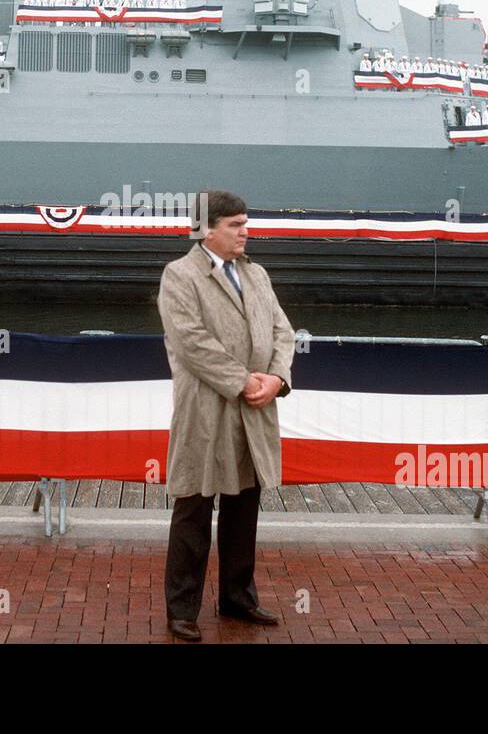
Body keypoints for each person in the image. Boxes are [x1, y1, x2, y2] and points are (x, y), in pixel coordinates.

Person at [158, 189, 295, 643]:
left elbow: (282, 330)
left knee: (244, 508)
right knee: (194, 508)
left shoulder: (256, 275)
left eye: (245, 223)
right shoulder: (179, 277)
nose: (245, 231)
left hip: (253, 412)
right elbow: (190, 342)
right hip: (206, 412)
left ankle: (238, 596)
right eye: (235, 225)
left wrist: (276, 378)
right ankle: (182, 609)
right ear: (207, 228)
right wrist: (244, 381)